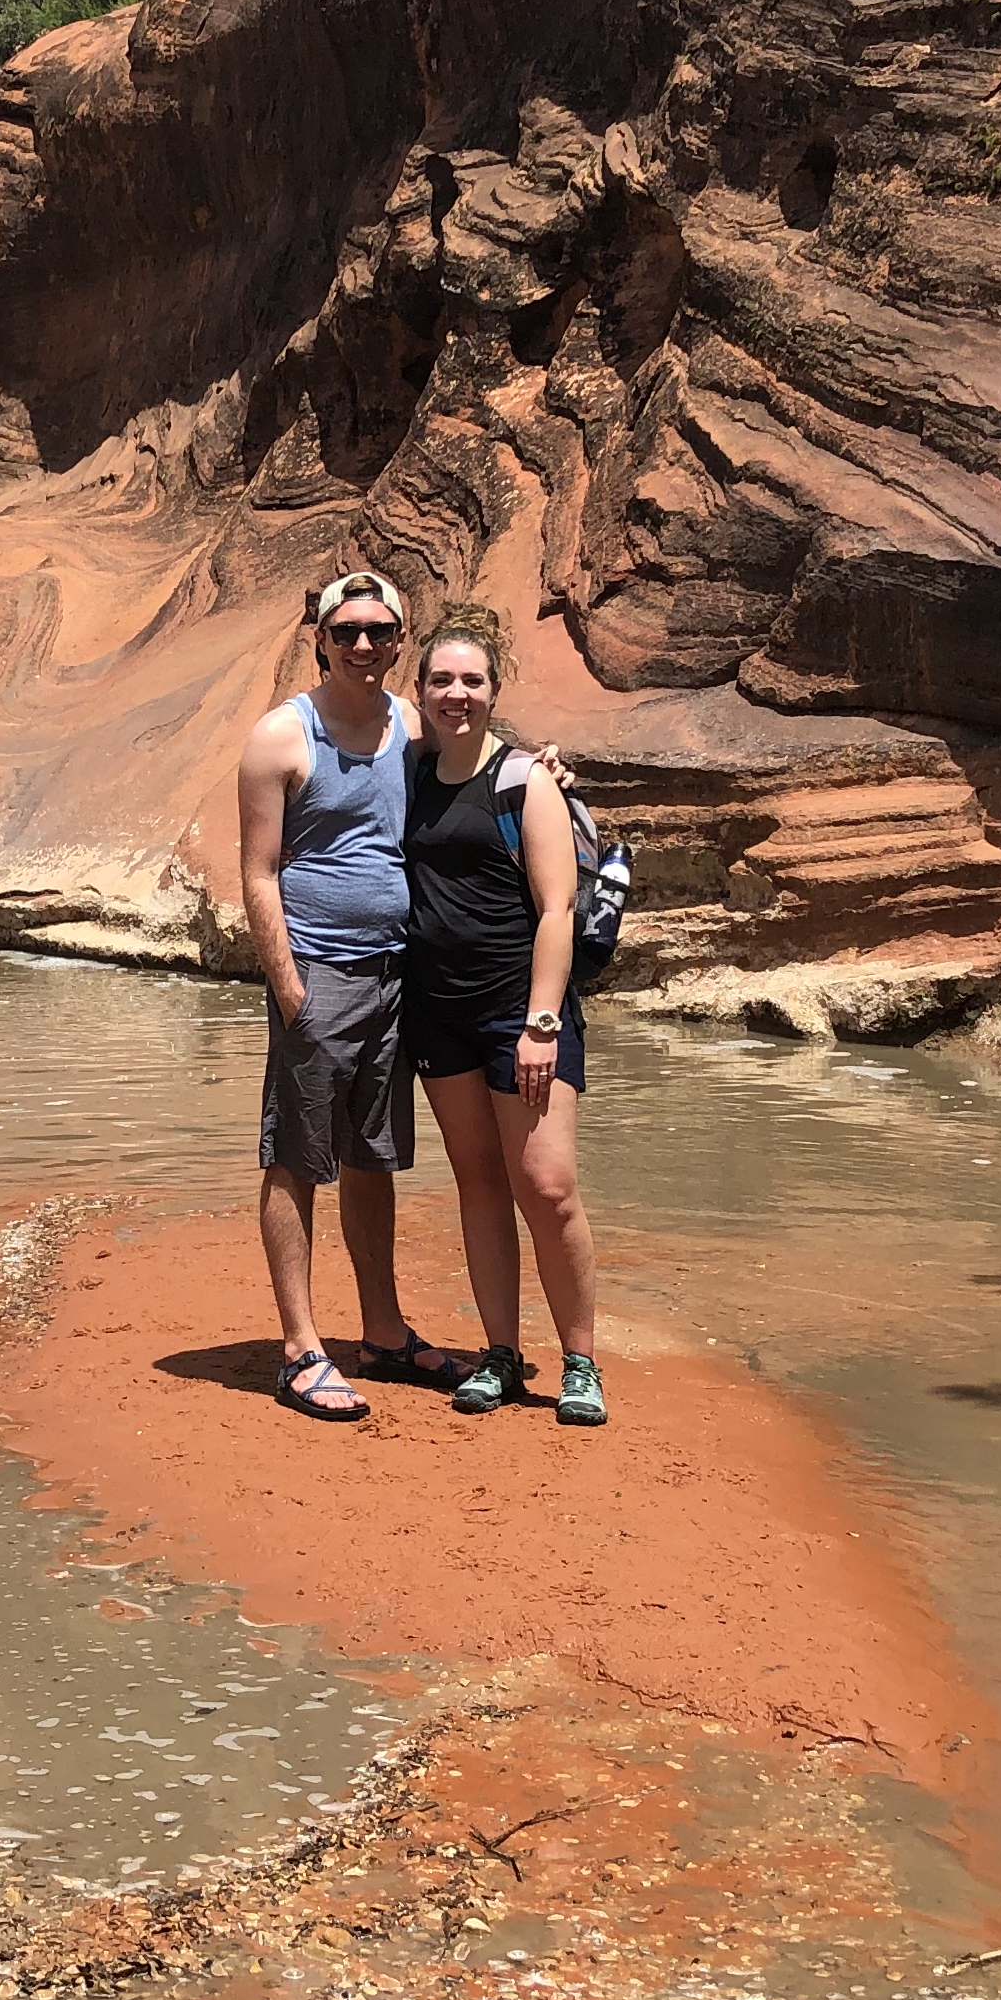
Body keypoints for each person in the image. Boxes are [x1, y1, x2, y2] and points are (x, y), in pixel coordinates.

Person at [235, 567, 484, 1422]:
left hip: (392, 975)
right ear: (321, 640)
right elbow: (258, 874)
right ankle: (302, 1350)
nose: (365, 646)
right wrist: (291, 988)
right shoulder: (280, 738)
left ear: (399, 641)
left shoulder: (407, 724)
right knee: (297, 1157)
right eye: (348, 632)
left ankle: (380, 1332)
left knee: (373, 1157)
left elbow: (473, 761)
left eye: (381, 631)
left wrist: (546, 764)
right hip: (318, 976)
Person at [402, 604, 605, 1426]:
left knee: (547, 1186)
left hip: (520, 1012)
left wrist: (541, 1023)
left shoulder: (523, 780)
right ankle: (500, 1354)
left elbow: (557, 909)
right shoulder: (410, 772)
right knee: (479, 1183)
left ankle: (581, 1361)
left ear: (495, 691)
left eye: (472, 681)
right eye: (442, 680)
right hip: (437, 1012)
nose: (457, 693)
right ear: (420, 691)